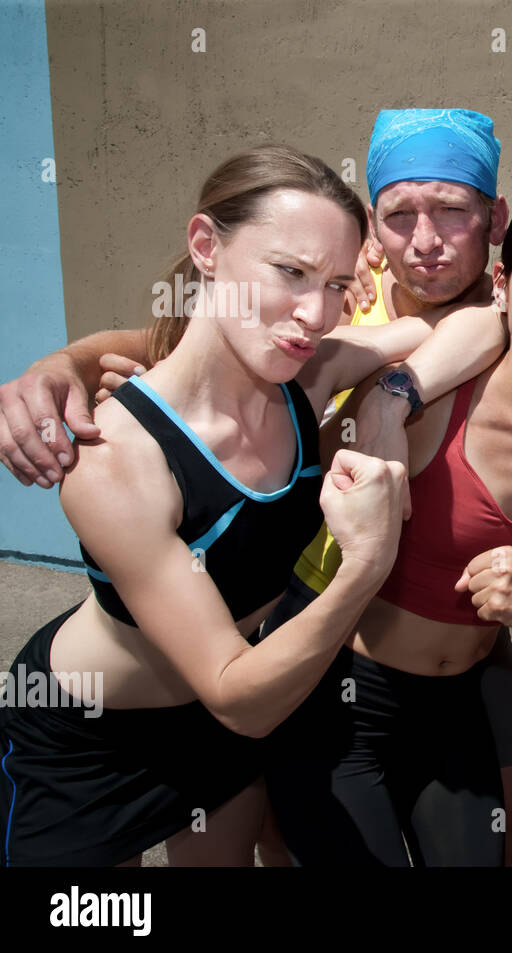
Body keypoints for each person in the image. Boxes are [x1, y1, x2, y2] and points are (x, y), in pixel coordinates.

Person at [0, 144, 408, 867]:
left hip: (219, 731)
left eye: (339, 283)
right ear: (205, 248)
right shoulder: (112, 458)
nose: (316, 313)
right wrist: (367, 561)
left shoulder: (302, 383)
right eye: (289, 272)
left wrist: (391, 403)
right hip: (89, 739)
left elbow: (449, 333)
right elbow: (237, 694)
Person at [264, 190, 512, 866]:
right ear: (502, 285)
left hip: (457, 707)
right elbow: (303, 462)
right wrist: (384, 397)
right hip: (340, 697)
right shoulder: (430, 388)